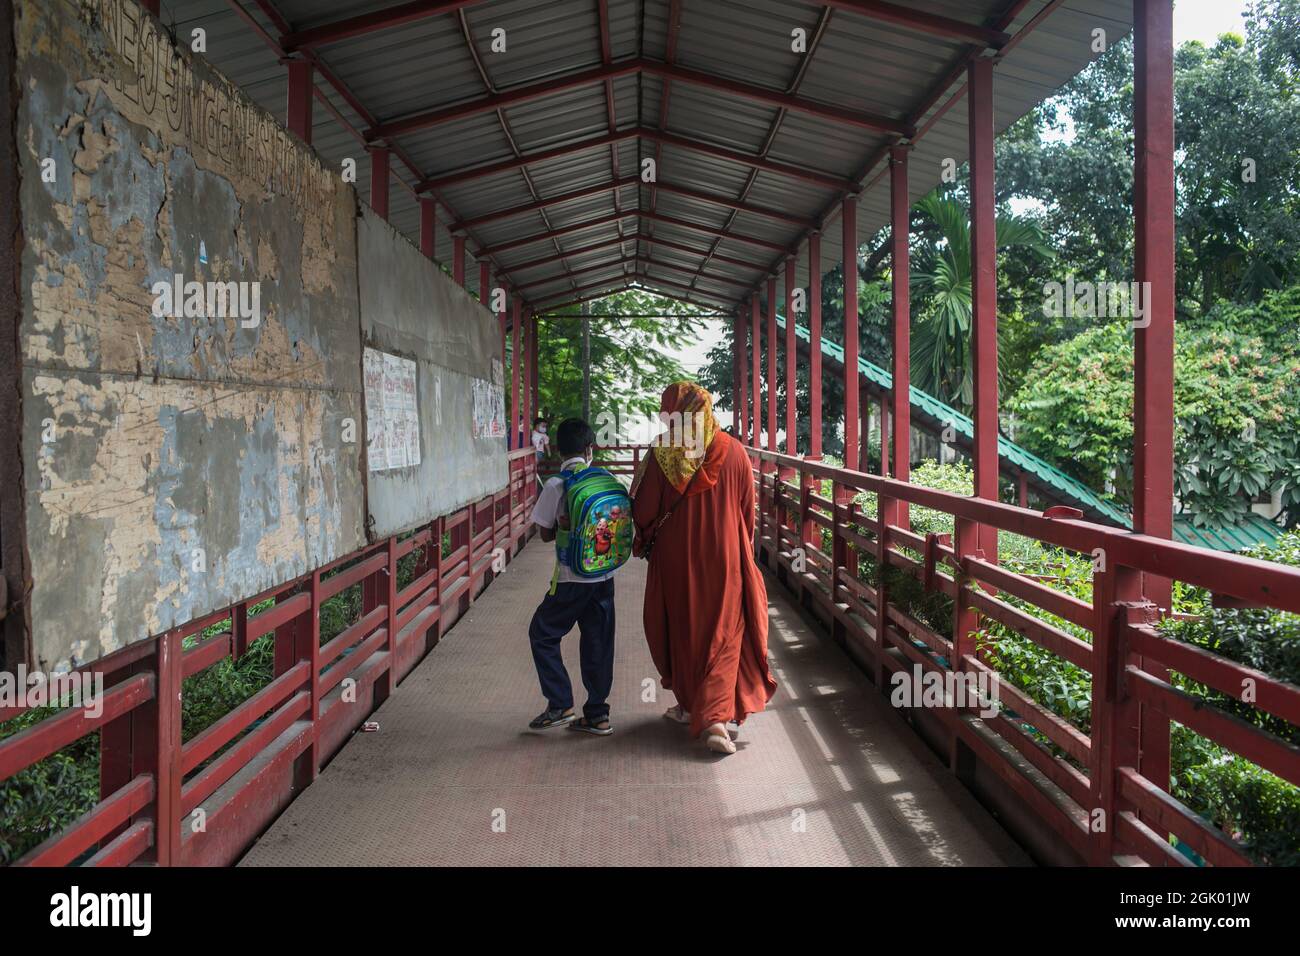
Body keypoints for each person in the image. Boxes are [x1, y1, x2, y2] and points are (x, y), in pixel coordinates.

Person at [631, 382, 777, 755]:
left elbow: (644, 511)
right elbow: (748, 513)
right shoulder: (734, 452)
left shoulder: (662, 454)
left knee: (683, 629)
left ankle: (695, 708)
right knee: (725, 633)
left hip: (675, 561)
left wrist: (644, 536)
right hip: (724, 557)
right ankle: (713, 720)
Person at [525, 418, 617, 736]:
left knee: (542, 633)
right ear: (590, 449)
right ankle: (598, 715)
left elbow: (546, 535)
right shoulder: (605, 478)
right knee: (599, 643)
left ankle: (560, 703)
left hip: (569, 580)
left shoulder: (556, 484)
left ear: (560, 449)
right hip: (604, 576)